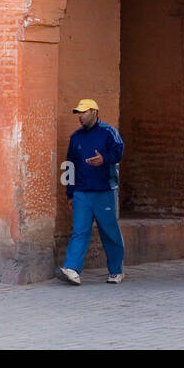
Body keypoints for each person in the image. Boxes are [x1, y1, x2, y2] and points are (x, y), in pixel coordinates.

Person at [59, 98, 126, 285]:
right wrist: (70, 193)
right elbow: (69, 165)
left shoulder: (108, 132)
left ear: (95, 112)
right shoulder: (75, 137)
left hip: (104, 191)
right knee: (80, 231)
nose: (80, 116)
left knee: (109, 231)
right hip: (81, 193)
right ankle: (72, 269)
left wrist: (104, 159)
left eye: (84, 112)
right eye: (78, 113)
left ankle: (116, 270)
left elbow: (119, 152)